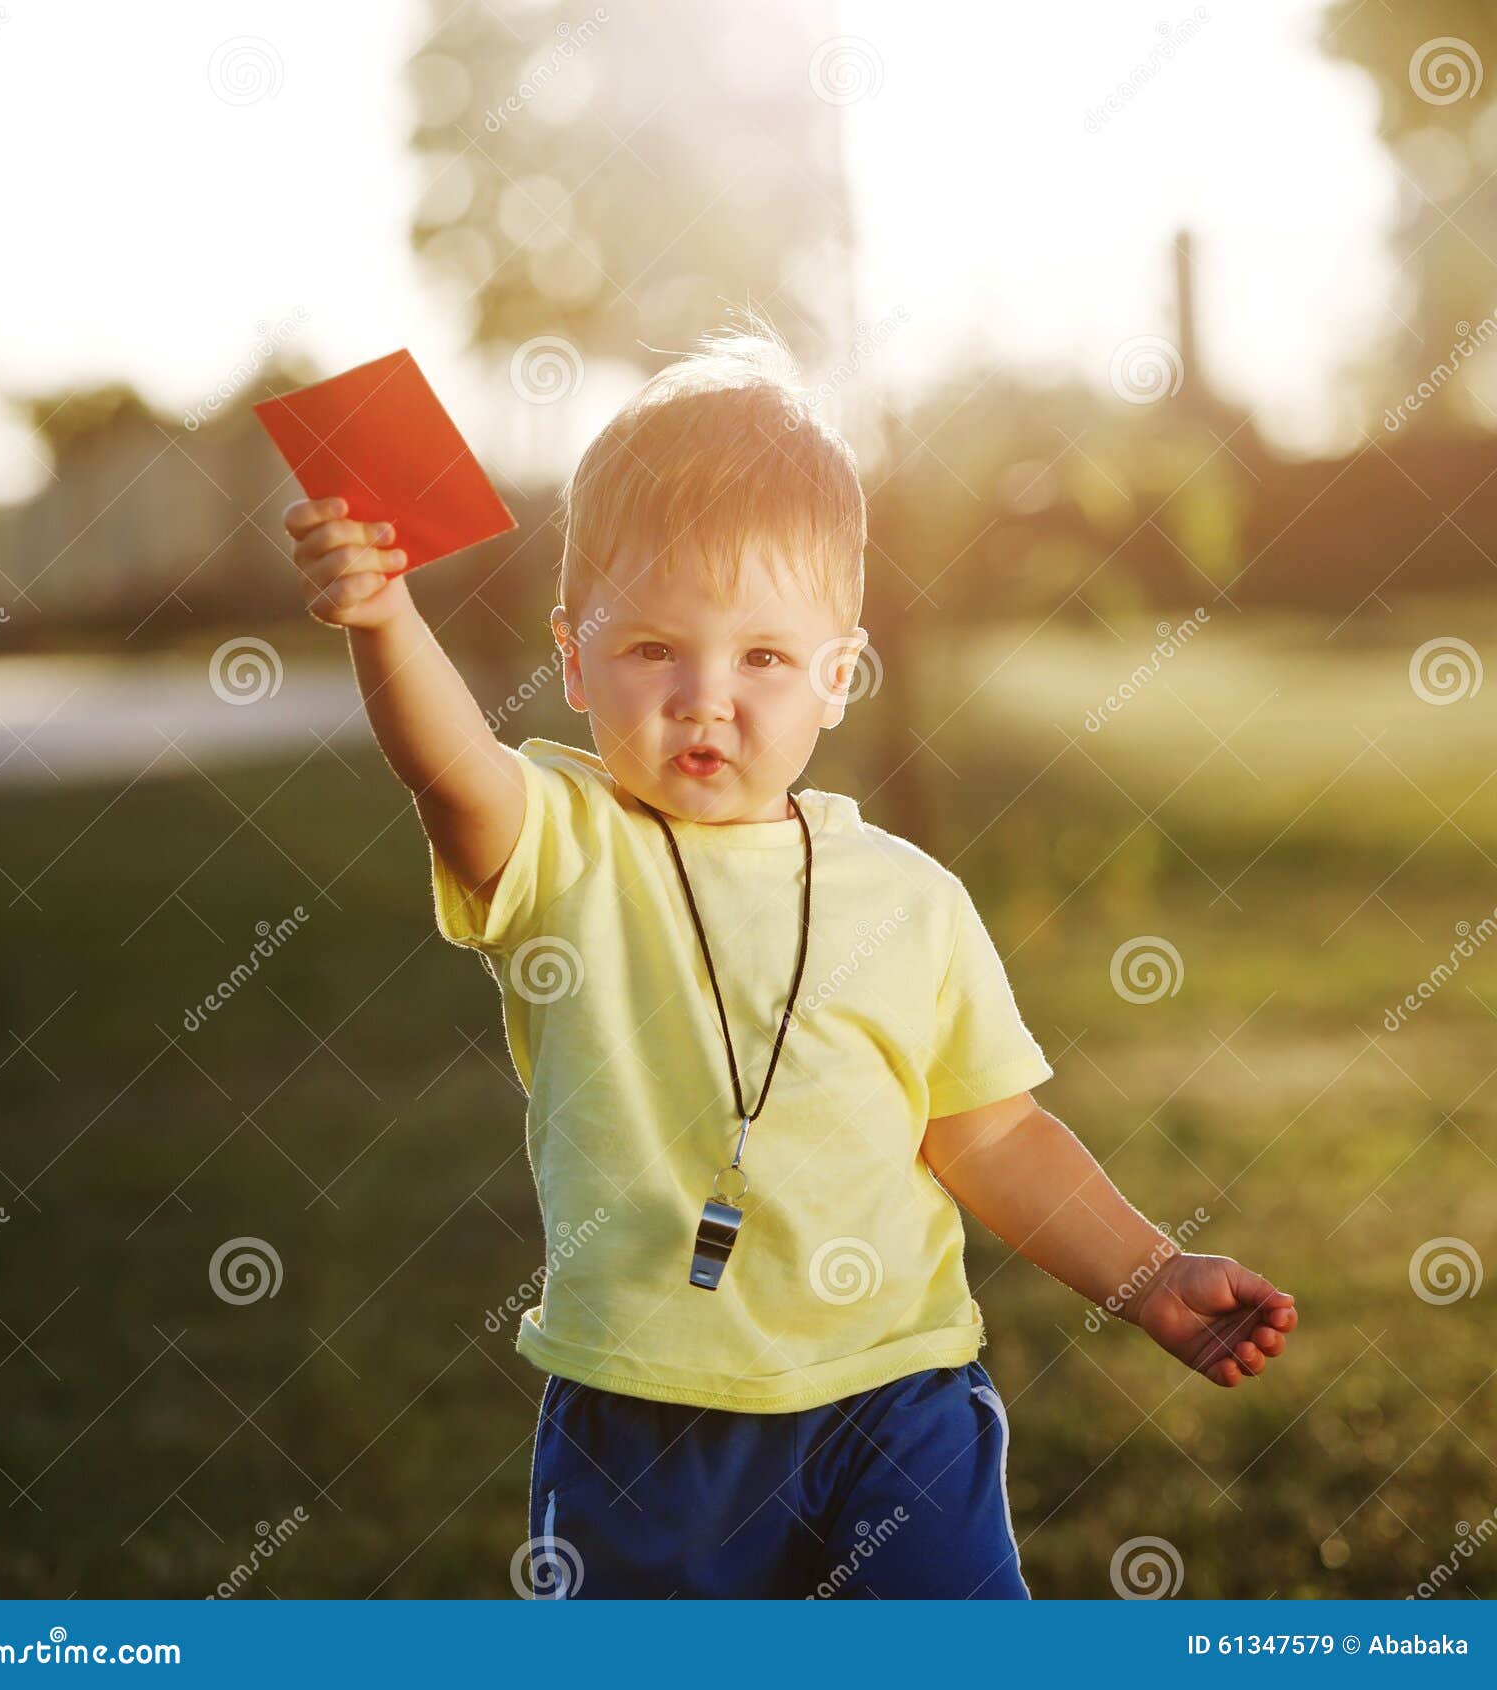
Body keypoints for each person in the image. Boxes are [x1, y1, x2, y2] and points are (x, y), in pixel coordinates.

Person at [280, 315, 1299, 1600]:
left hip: (899, 1402)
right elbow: (448, 770)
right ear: (573, 657)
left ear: (838, 672)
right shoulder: (565, 846)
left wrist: (1149, 1271)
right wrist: (380, 619)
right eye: (654, 647)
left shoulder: (910, 901)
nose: (707, 694)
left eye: (762, 655)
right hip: (651, 1425)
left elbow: (988, 1137)